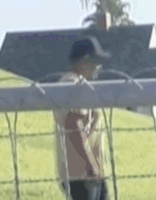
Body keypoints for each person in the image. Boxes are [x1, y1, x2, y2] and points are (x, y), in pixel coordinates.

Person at [54, 36, 110, 200]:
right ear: (84, 61)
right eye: (95, 61)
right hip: (82, 174)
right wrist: (91, 164)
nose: (98, 67)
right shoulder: (75, 85)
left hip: (88, 173)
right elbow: (73, 123)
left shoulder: (76, 84)